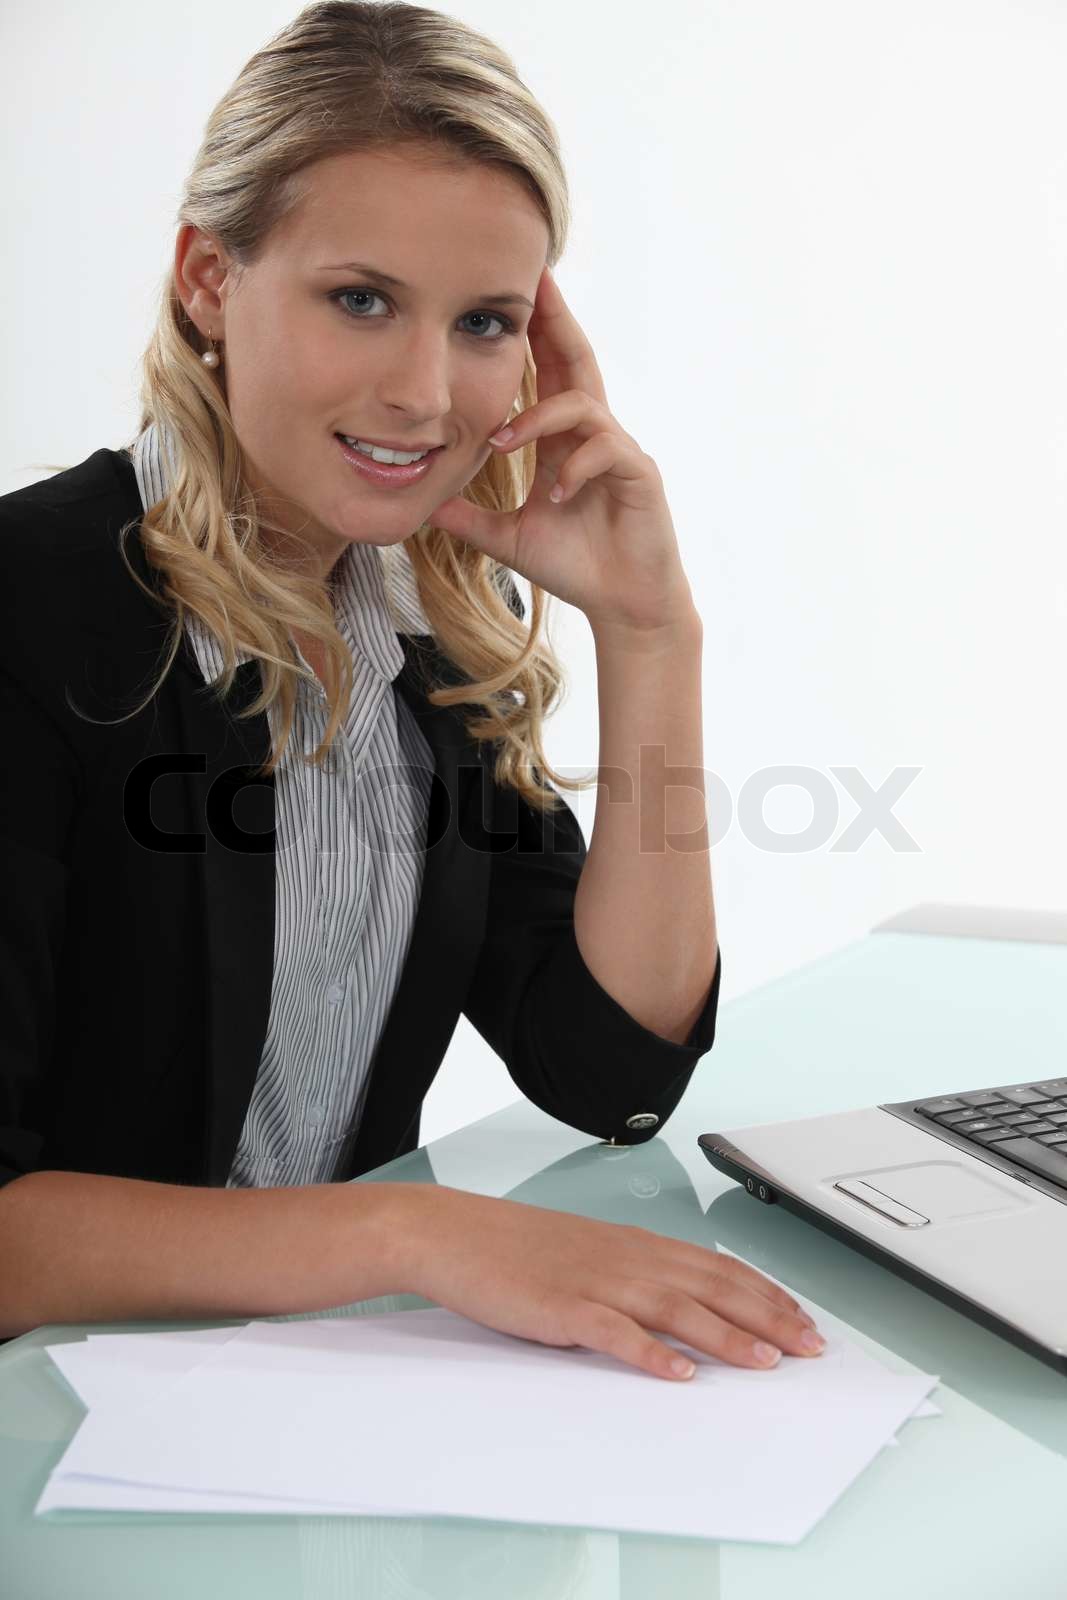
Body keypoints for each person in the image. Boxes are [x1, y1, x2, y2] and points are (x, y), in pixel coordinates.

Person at [0, 0, 825, 1377]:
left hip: (312, 1406)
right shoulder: (28, 616)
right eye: (362, 299)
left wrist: (649, 633)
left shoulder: (429, 620)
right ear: (209, 278)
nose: (427, 394)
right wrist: (409, 1234)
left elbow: (611, 1069)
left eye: (487, 322)